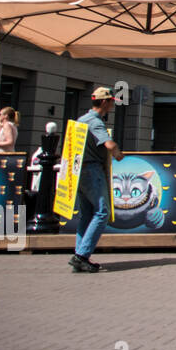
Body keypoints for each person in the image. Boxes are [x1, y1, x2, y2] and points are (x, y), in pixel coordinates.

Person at [71, 87, 124, 273]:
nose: (112, 106)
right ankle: (82, 255)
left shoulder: (81, 120)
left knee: (86, 214)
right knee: (102, 212)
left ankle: (80, 254)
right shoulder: (95, 122)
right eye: (110, 102)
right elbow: (109, 144)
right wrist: (117, 153)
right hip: (92, 170)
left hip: (79, 170)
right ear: (103, 102)